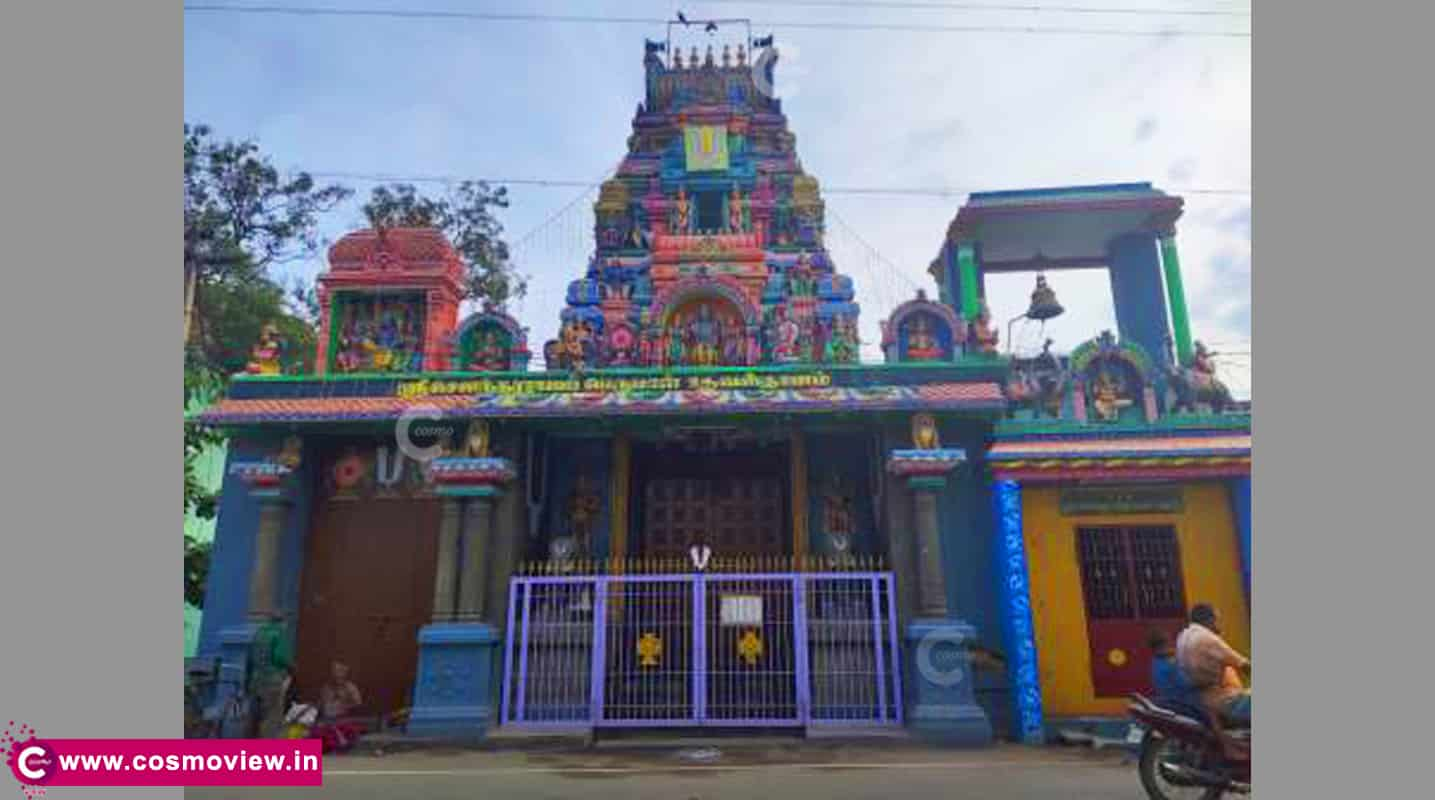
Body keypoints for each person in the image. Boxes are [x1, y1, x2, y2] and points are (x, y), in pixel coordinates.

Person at [1175, 603, 1251, 727]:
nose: (1218, 624)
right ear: (1210, 620)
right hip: (1220, 700)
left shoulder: (1182, 636)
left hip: (1198, 699)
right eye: (1217, 620)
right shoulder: (1208, 638)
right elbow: (1244, 666)